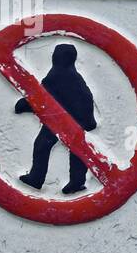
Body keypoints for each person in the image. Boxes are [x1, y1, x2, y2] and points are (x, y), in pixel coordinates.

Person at [15, 43, 97, 194]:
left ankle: (36, 178)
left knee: (42, 146)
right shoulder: (75, 76)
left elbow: (40, 98)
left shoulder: (56, 76)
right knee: (78, 151)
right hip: (74, 120)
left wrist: (22, 105)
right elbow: (86, 97)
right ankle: (77, 183)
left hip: (62, 121)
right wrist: (89, 121)